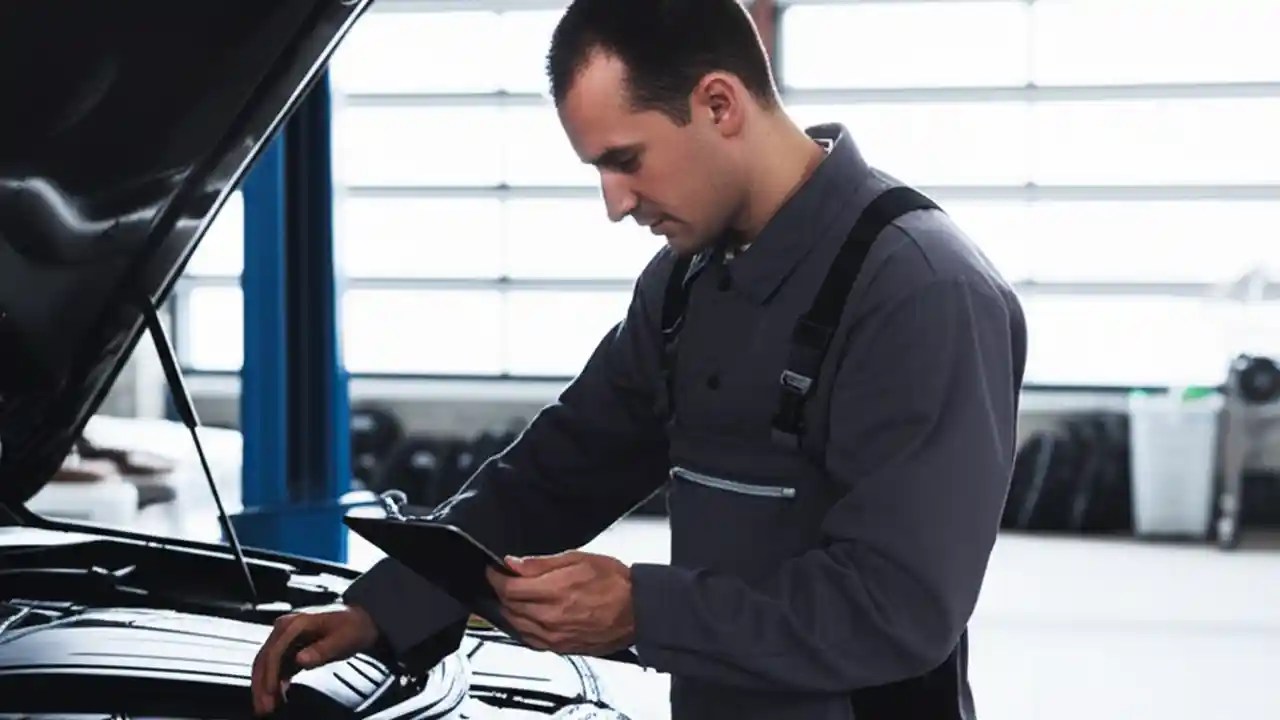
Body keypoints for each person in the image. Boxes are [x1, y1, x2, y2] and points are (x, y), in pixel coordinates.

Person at [251, 1, 1028, 718]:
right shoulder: (686, 283)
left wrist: (642, 610)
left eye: (627, 159)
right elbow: (564, 466)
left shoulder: (922, 293)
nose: (614, 202)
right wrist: (384, 607)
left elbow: (896, 609)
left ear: (719, 104)